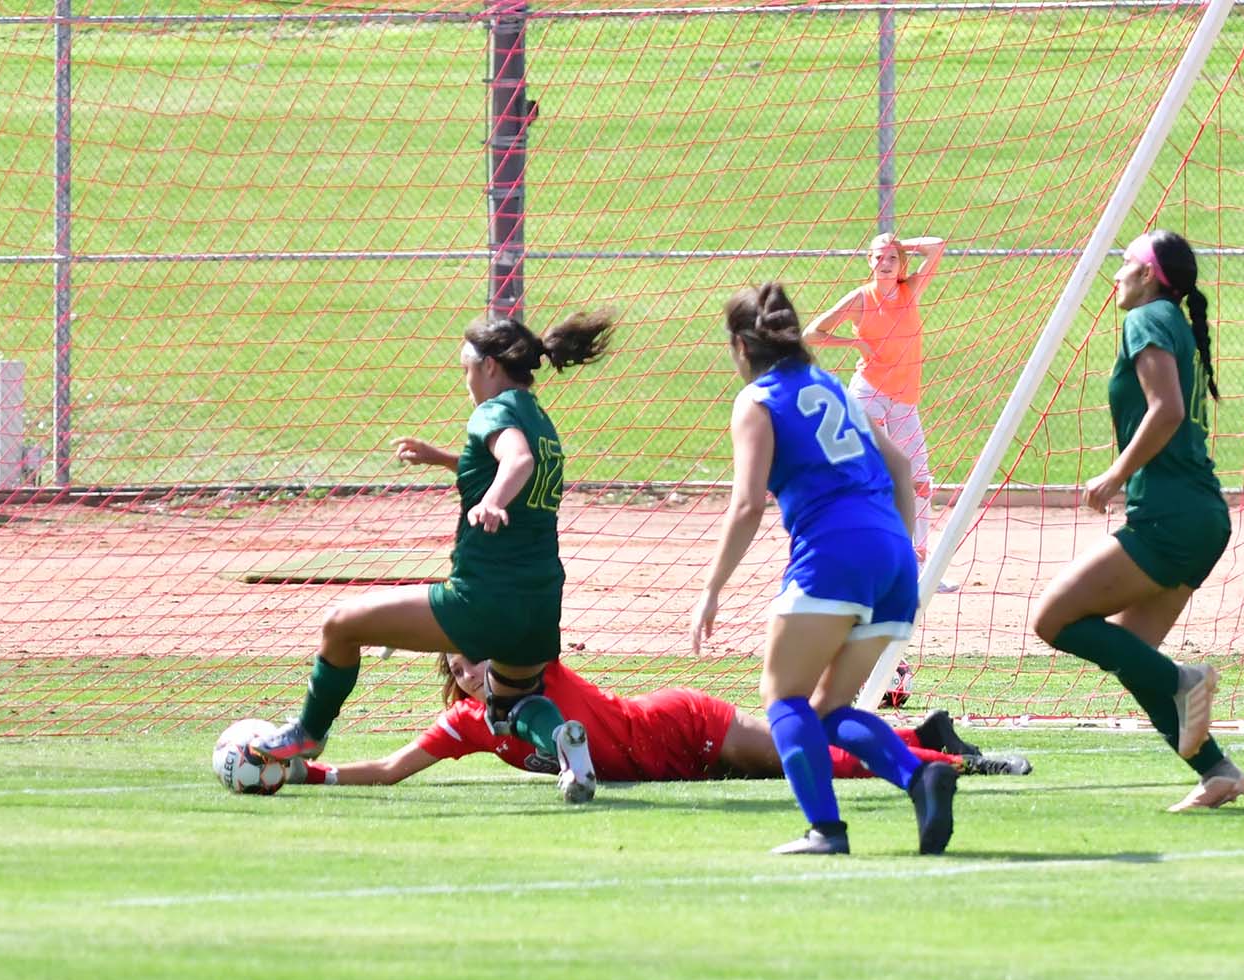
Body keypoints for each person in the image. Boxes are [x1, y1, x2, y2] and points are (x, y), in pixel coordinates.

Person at [246, 310, 617, 804]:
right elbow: (511, 462)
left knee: (340, 625)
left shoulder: (494, 409)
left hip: (484, 597)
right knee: (510, 704)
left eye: (466, 367)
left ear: (488, 365)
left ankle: (308, 734)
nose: (466, 380)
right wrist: (443, 459)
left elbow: (517, 460)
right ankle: (564, 743)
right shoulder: (539, 417)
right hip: (541, 603)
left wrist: (492, 502)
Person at [693, 282, 957, 856]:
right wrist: (899, 546)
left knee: (782, 697)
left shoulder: (757, 400)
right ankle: (920, 776)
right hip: (893, 557)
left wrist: (711, 588)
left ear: (741, 346)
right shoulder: (833, 386)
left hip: (834, 551)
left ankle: (827, 831)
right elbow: (901, 466)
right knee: (829, 708)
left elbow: (747, 504)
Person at [1031, 230, 1244, 813]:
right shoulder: (1170, 319)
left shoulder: (1146, 317)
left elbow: (1167, 409)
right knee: (1133, 657)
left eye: (1125, 262)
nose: (1117, 273)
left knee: (1052, 618)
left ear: (1150, 274)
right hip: (1200, 517)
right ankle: (1216, 772)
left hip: (1171, 516)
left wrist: (1113, 475)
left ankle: (1185, 680)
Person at [286, 655, 1031, 787]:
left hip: (680, 727)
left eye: (479, 657)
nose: (474, 671)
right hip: (672, 764)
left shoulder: (538, 670)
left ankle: (953, 762)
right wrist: (307, 773)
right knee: (808, 751)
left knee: (816, 760)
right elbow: (390, 769)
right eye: (459, 667)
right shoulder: (470, 726)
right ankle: (923, 735)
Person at [804, 232, 956, 592]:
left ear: (901, 263)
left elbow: (936, 247)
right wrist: (854, 341)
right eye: (878, 257)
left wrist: (898, 244)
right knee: (873, 479)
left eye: (892, 258)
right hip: (868, 395)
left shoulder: (910, 290)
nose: (885, 264)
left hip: (904, 400)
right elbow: (812, 333)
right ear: (868, 262)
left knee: (920, 482)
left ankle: (918, 565)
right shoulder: (860, 298)